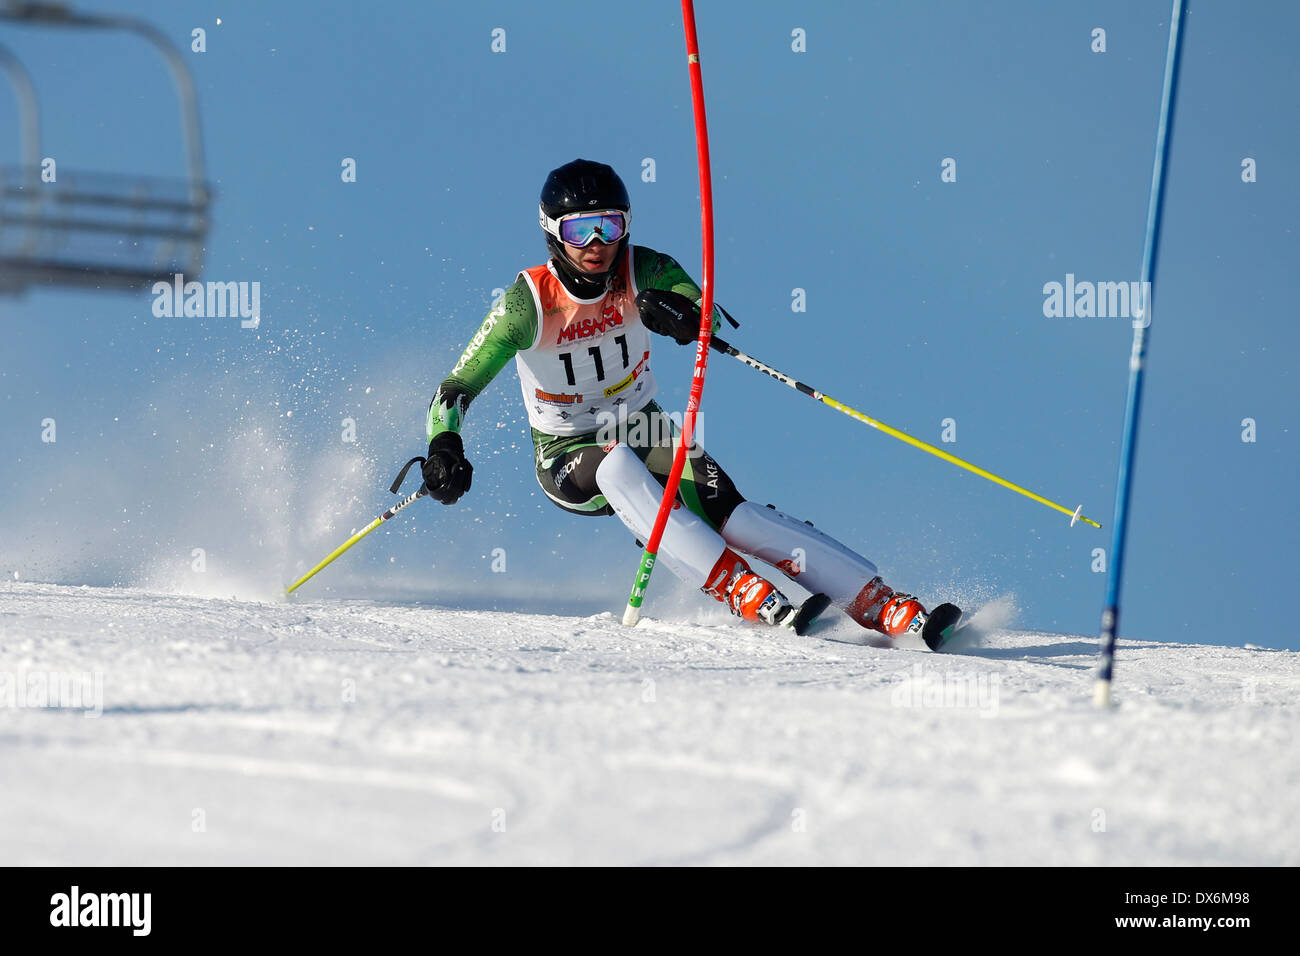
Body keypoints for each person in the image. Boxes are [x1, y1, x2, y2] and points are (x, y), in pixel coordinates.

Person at [421, 158, 932, 638]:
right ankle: (737, 585)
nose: (597, 243)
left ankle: (877, 600)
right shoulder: (527, 304)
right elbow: (455, 388)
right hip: (567, 453)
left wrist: (686, 317)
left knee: (734, 514)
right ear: (553, 232)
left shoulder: (647, 270)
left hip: (645, 430)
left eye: (610, 225)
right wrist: (445, 444)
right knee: (617, 464)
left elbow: (703, 313)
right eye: (580, 230)